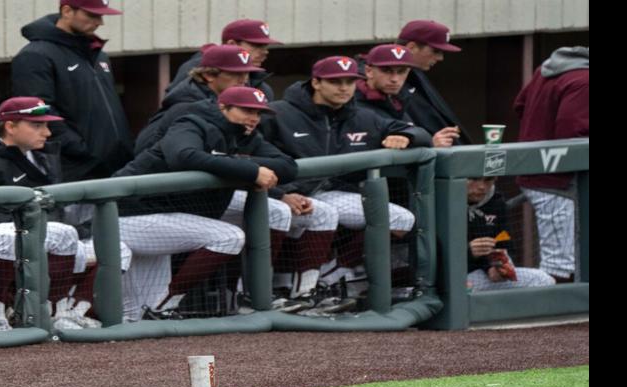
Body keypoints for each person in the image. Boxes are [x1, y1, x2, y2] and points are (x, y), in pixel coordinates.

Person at [112, 85, 293, 321]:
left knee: (135, 312)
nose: (254, 118)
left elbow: (288, 166)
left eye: (258, 113)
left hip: (164, 217)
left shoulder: (245, 138)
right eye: (246, 110)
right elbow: (183, 155)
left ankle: (155, 312)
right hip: (128, 214)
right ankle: (165, 306)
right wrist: (248, 169)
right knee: (228, 237)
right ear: (223, 107)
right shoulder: (191, 123)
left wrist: (235, 162)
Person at [260, 56, 429, 305]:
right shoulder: (279, 112)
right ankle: (303, 291)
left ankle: (331, 274)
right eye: (335, 82)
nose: (344, 88)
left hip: (330, 192)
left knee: (401, 219)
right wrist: (281, 192)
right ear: (316, 82)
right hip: (285, 192)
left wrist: (406, 136)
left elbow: (420, 132)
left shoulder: (361, 116)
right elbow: (249, 150)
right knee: (322, 213)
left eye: (350, 82)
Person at [0, 96, 115, 329]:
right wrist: (32, 224)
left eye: (46, 125)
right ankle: (4, 312)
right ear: (10, 126)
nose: (47, 133)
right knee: (51, 235)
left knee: (115, 248)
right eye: (37, 126)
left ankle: (67, 310)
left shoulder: (41, 155)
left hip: (41, 233)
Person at [9, 1, 131, 183]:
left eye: (101, 16)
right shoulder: (35, 55)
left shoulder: (98, 54)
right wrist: (83, 150)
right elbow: (38, 112)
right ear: (67, 11)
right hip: (75, 171)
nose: (100, 22)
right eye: (92, 15)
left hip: (114, 165)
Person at [513, 46, 588, 283]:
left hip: (538, 171)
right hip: (556, 182)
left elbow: (519, 106)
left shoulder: (546, 69)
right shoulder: (583, 80)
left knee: (570, 258)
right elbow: (572, 132)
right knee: (560, 265)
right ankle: (554, 305)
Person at [356, 44, 454, 148]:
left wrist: (430, 143)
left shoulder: (399, 101)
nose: (395, 79)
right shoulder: (352, 104)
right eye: (386, 71)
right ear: (369, 71)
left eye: (401, 72)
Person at [463, 177, 553, 290]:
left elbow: (506, 245)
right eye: (474, 179)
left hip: (478, 276)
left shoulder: (495, 202)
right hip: (448, 280)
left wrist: (497, 268)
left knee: (542, 279)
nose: (482, 186)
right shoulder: (442, 202)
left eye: (488, 180)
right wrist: (468, 252)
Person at [393, 20, 466, 147]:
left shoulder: (416, 73)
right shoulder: (377, 84)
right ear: (411, 47)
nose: (440, 58)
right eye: (435, 51)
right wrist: (429, 143)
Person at [165, 18, 280, 97]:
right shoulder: (200, 66)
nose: (265, 52)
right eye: (256, 45)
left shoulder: (261, 86)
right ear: (232, 44)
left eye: (265, 46)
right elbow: (174, 107)